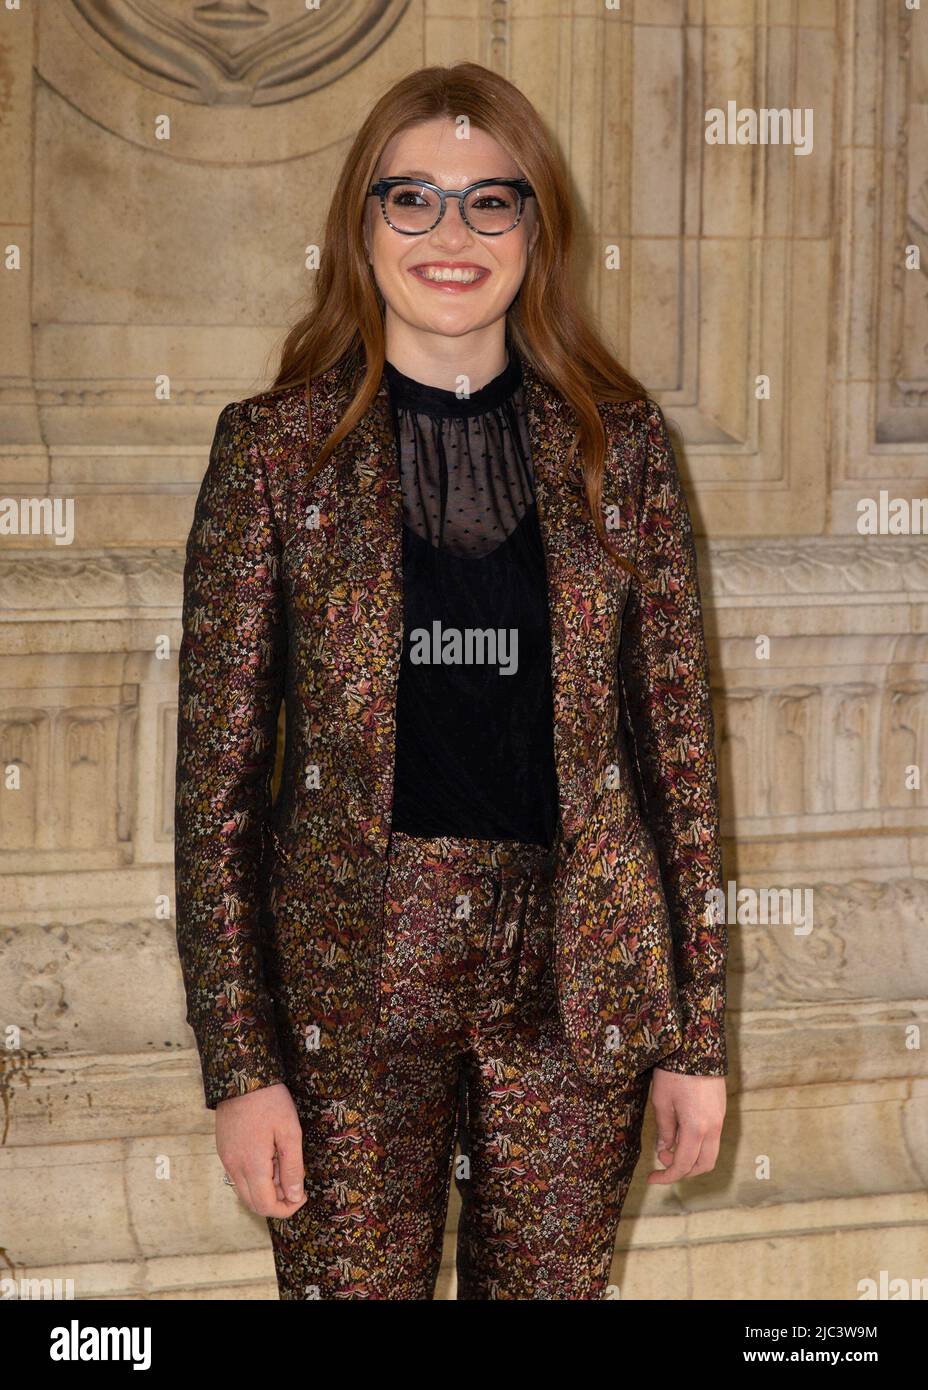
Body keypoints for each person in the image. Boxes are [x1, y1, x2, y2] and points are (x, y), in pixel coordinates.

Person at [174, 61, 728, 1301]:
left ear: (538, 231)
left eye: (491, 201)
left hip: (573, 980)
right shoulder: (273, 454)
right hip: (350, 989)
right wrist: (240, 1062)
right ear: (359, 228)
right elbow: (213, 802)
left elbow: (675, 760)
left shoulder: (619, 446)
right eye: (410, 198)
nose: (450, 233)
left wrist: (694, 1035)